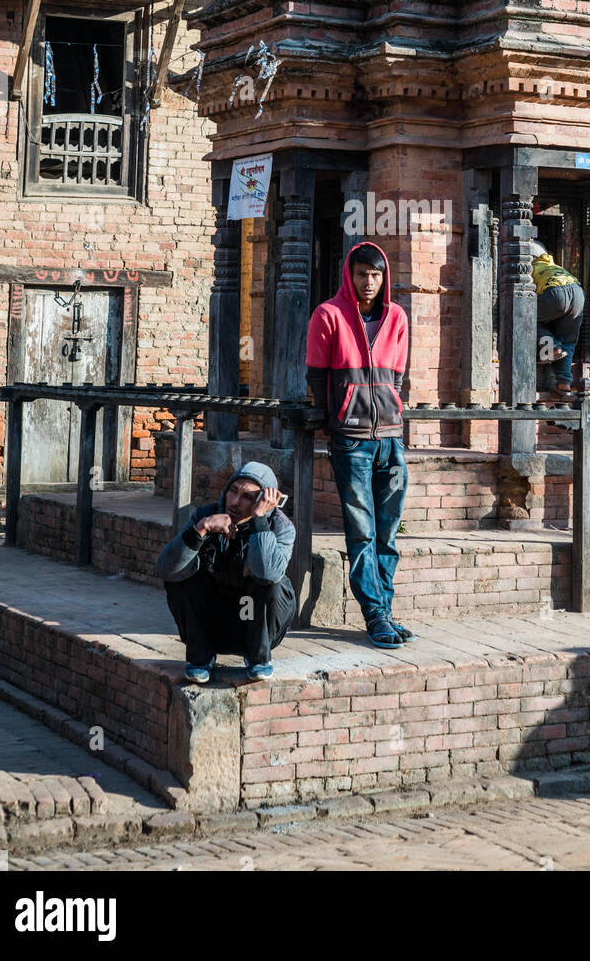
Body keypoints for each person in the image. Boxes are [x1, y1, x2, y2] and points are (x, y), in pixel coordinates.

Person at [305, 241, 413, 650]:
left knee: (388, 531)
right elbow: (316, 375)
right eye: (362, 274)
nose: (368, 282)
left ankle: (385, 609)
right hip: (350, 441)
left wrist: (392, 413)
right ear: (349, 277)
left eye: (375, 274)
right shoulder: (328, 314)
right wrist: (333, 415)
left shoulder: (397, 316)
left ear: (384, 278)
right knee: (363, 531)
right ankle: (374, 615)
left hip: (390, 438)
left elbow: (397, 376)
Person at [155, 461, 296, 684]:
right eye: (233, 491)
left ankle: (257, 657)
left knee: (274, 582)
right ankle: (201, 656)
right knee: (180, 576)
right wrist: (201, 529)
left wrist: (260, 523)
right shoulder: (206, 516)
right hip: (212, 620)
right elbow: (165, 569)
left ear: (264, 501)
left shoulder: (281, 527)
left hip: (252, 620)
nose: (236, 502)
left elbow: (268, 574)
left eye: (248, 497)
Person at [531, 243, 585, 396]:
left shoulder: (530, 265)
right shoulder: (552, 265)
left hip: (555, 293)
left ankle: (553, 347)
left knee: (526, 318)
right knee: (568, 340)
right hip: (578, 293)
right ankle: (564, 383)